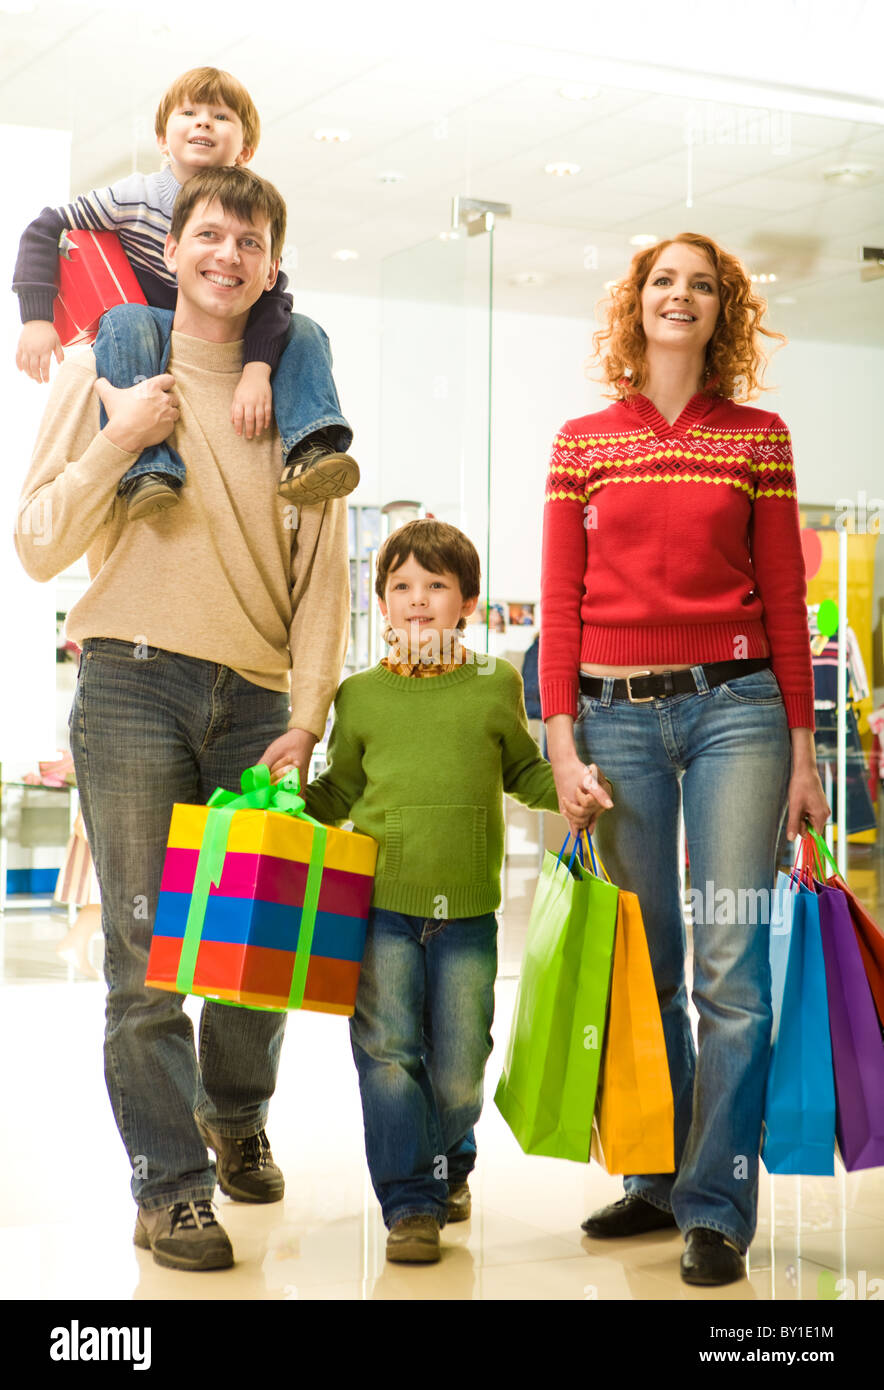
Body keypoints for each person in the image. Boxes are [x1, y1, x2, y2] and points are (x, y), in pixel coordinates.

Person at [15, 165, 350, 1272]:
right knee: (144, 958)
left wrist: (309, 710)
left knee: (258, 956)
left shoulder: (296, 388)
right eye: (211, 232)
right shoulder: (108, 361)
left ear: (268, 264)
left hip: (259, 700)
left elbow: (322, 578)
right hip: (133, 682)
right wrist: (121, 438)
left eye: (251, 241)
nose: (228, 254)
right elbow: (37, 542)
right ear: (179, 241)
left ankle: (235, 1108)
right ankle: (170, 1188)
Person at [540, 233, 829, 1287]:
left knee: (730, 971)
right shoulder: (580, 443)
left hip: (738, 715)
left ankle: (714, 1206)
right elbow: (561, 610)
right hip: (611, 722)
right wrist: (560, 745)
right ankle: (656, 1176)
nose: (680, 295)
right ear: (637, 302)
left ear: (723, 312)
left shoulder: (758, 438)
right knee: (645, 964)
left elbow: (785, 608)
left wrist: (802, 753)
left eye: (700, 285)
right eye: (664, 279)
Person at [294, 519, 602, 1264]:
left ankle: (450, 1158)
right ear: (382, 602)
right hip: (381, 908)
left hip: (467, 910)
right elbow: (340, 789)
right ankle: (410, 1204)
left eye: (436, 586)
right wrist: (292, 802)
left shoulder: (495, 683)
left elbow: (524, 770)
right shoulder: (357, 696)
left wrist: (568, 789)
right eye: (401, 585)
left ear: (466, 601)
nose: (418, 600)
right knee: (390, 1052)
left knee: (461, 1062)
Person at [12, 65, 358, 519]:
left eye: (221, 116)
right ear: (161, 139)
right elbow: (46, 226)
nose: (203, 122)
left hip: (222, 336)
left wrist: (256, 371)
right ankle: (149, 468)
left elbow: (275, 300)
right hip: (153, 323)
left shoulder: (254, 204)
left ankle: (311, 446)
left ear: (246, 150)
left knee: (304, 330)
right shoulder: (134, 196)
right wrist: (37, 319)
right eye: (190, 112)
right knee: (125, 317)